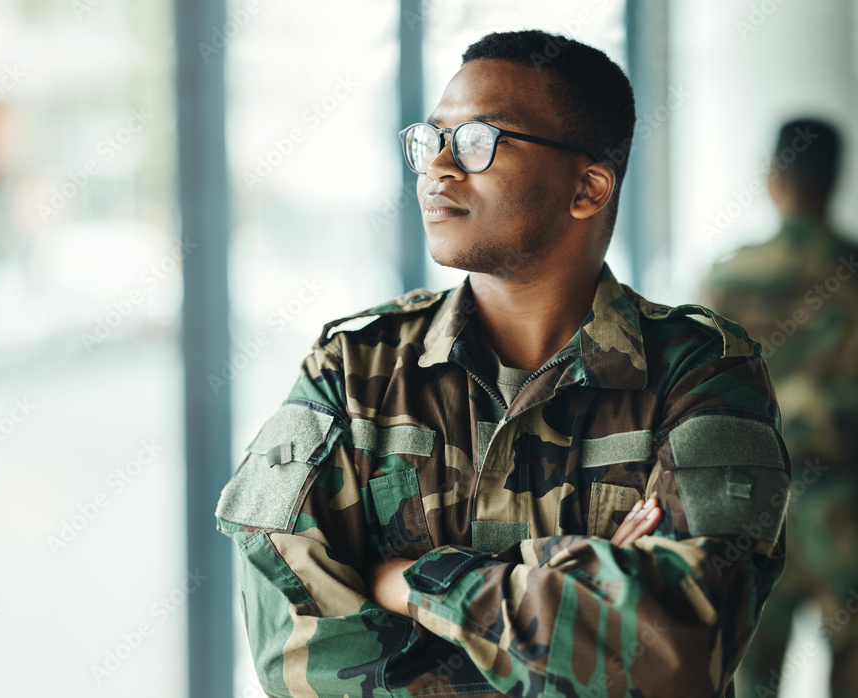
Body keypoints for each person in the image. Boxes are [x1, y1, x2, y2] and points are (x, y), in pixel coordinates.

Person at [217, 29, 790, 697]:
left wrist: (411, 579)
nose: (439, 168)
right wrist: (580, 600)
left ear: (588, 187)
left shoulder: (701, 372)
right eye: (432, 140)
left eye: (478, 141)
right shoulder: (353, 370)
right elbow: (297, 654)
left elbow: (673, 651)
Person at [700, 118, 858, 697]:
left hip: (752, 511)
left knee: (748, 674)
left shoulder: (728, 276)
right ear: (834, 178)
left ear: (774, 178)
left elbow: (700, 407)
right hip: (846, 507)